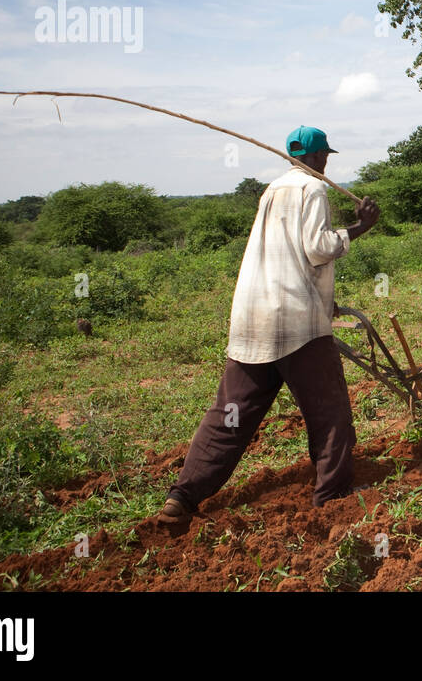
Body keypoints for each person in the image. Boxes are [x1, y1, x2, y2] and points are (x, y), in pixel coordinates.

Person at [157, 125, 380, 526]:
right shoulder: (313, 189)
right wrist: (361, 226)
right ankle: (332, 495)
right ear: (316, 157)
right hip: (296, 325)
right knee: (330, 414)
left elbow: (287, 253)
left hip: (251, 322)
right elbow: (317, 249)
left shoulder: (271, 190)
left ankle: (182, 498)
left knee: (230, 416)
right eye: (324, 156)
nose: (326, 162)